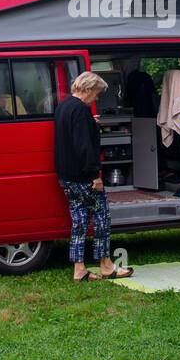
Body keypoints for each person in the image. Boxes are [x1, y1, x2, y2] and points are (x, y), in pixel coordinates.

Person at [54, 71, 134, 282]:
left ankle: (79, 269)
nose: (96, 98)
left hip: (67, 177)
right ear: (88, 89)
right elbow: (84, 147)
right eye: (96, 93)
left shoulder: (64, 106)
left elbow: (72, 134)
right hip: (84, 177)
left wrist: (91, 122)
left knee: (79, 222)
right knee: (101, 218)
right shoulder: (80, 109)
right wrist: (94, 176)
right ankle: (106, 266)